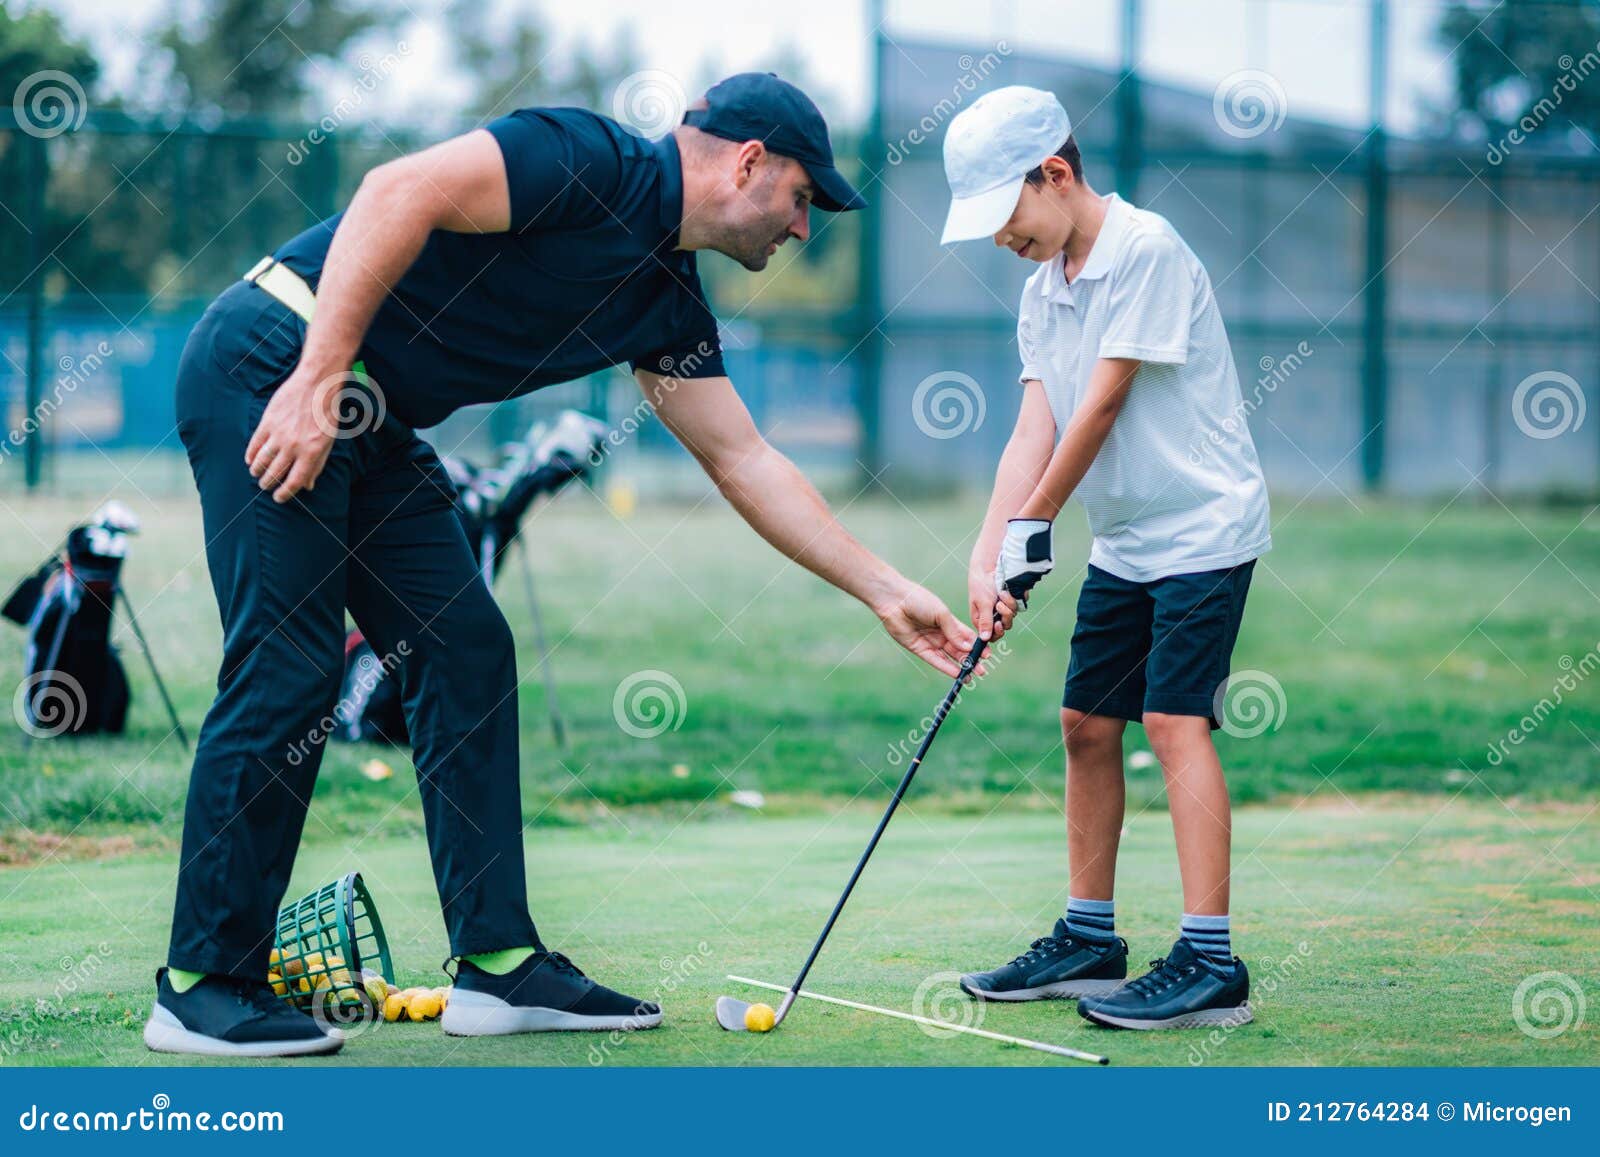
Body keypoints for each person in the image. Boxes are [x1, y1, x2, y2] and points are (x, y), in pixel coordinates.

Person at [146, 73, 977, 1058]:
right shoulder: (585, 157)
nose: (802, 227)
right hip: (276, 357)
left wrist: (885, 589)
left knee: (463, 646)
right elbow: (393, 192)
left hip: (371, 415)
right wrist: (318, 380)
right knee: (291, 661)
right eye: (802, 198)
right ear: (749, 163)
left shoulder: (667, 303)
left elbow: (743, 459)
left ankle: (499, 966)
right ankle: (200, 985)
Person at [940, 87, 1271, 1030]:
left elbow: (1102, 405)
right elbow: (1035, 427)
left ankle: (1211, 960)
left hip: (1204, 527)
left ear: (1055, 174)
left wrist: (1035, 526)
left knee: (1172, 720)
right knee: (1086, 721)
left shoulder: (1146, 250)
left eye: (1006, 214)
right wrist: (990, 549)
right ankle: (1090, 939)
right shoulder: (1043, 289)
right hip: (1128, 539)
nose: (1002, 238)